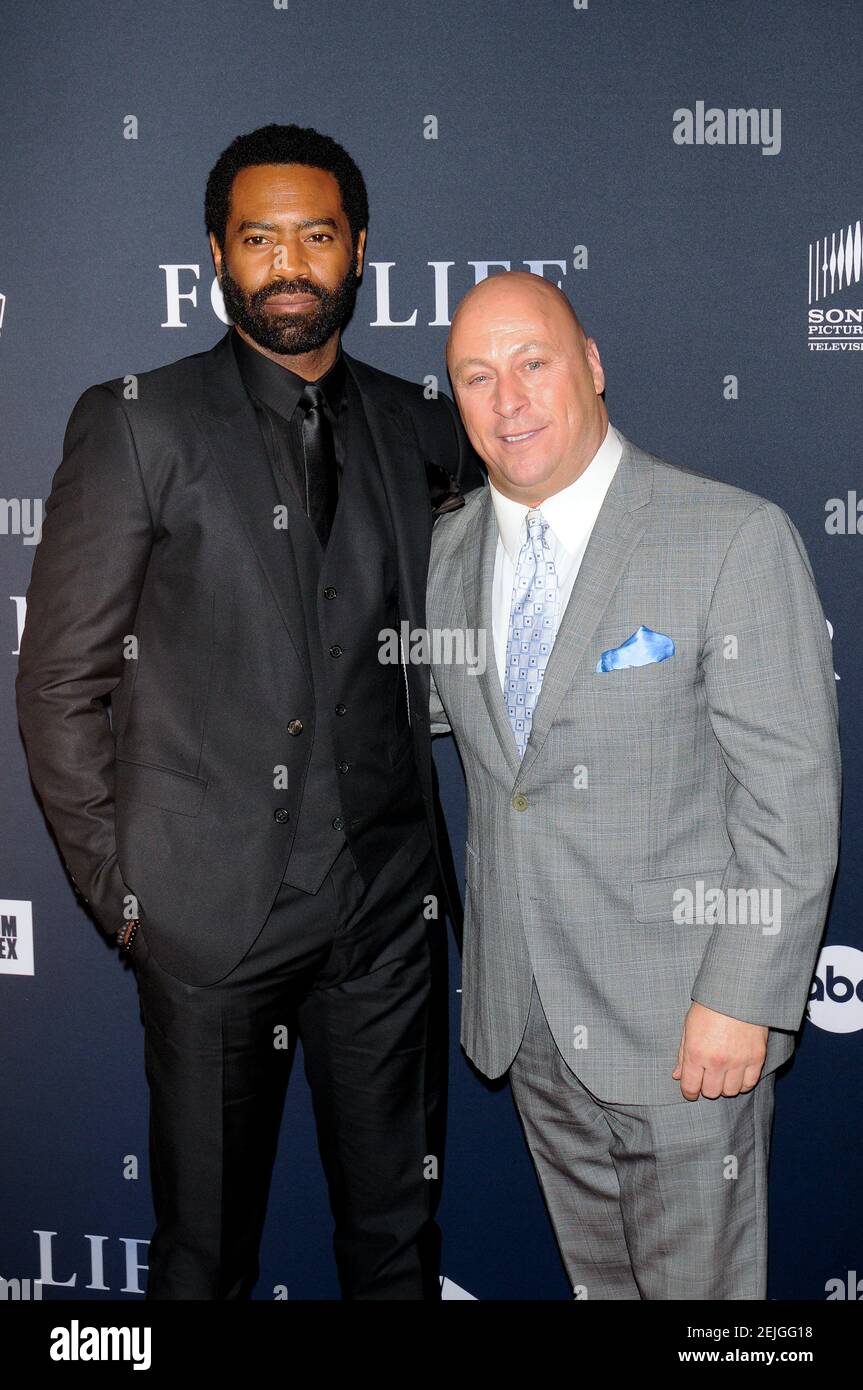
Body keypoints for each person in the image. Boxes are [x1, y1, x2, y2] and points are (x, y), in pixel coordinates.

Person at [15, 122, 482, 1300]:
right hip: (208, 922)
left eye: (314, 236)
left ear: (358, 250)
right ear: (215, 256)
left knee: (395, 1247)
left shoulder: (420, 422)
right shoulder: (138, 421)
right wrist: (127, 900)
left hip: (385, 917)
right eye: (258, 237)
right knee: (204, 1257)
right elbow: (60, 680)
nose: (288, 263)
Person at [426, 270, 840, 1299]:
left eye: (532, 363)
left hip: (683, 1028)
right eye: (475, 377)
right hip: (525, 1022)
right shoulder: (446, 551)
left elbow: (789, 800)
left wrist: (740, 998)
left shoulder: (728, 537)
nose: (506, 398)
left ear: (593, 365)